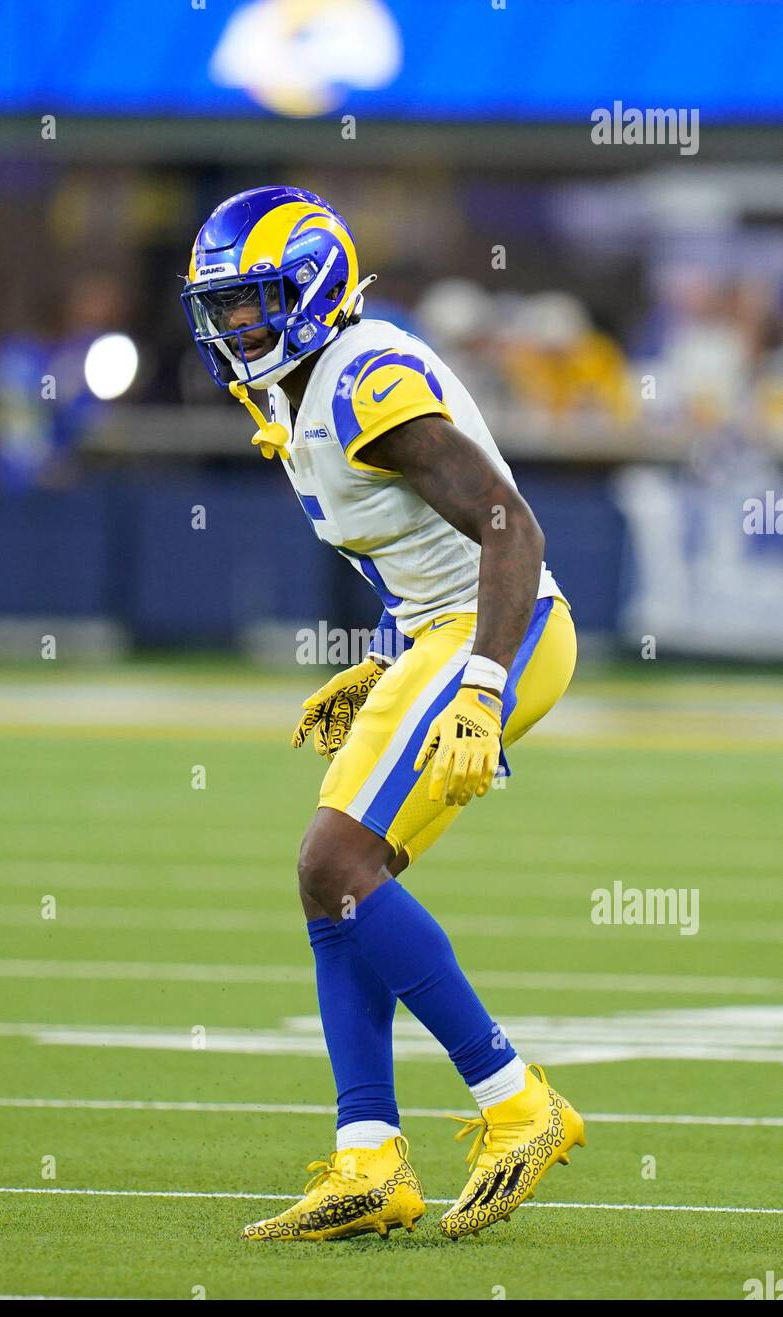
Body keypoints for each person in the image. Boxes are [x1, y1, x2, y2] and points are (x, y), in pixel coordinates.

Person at [180, 185, 585, 1242]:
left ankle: (516, 1103)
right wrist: (382, 661)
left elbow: (508, 526)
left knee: (333, 862)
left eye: (251, 303)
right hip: (445, 633)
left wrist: (480, 689)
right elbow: (417, 554)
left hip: (504, 631)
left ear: (310, 288)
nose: (234, 328)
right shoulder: (302, 389)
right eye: (221, 309)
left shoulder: (364, 380)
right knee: (335, 888)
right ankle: (368, 1159)